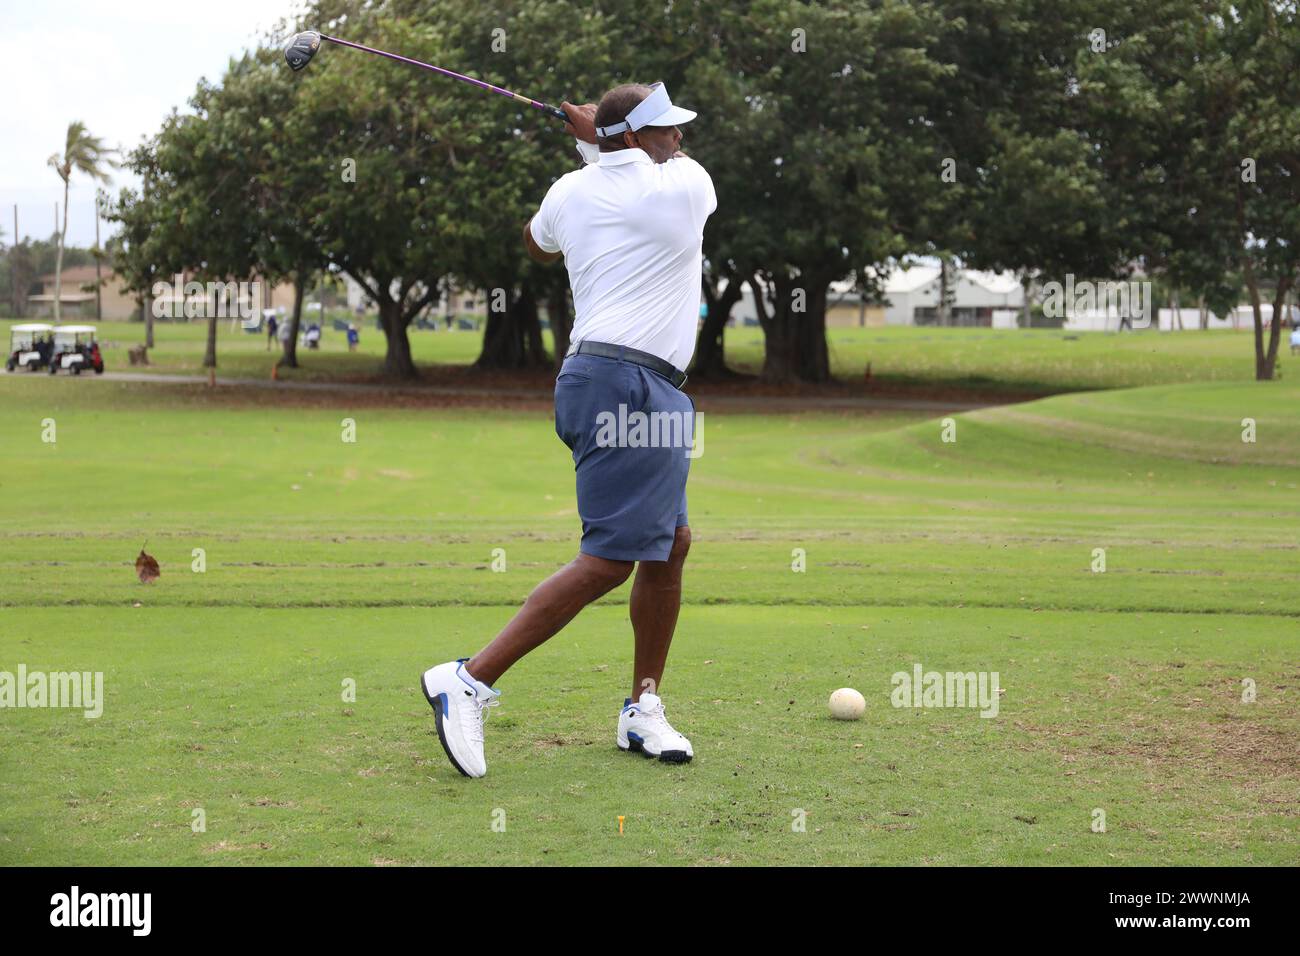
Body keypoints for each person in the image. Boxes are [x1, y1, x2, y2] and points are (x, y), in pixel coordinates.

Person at [421, 82, 716, 778]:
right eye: (667, 129)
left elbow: (536, 245)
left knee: (668, 544)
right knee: (611, 560)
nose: (680, 138)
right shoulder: (684, 187)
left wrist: (593, 150)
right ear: (638, 138)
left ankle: (643, 708)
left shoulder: (568, 192)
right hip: (622, 386)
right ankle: (466, 679)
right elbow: (652, 169)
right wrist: (596, 141)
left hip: (640, 386)